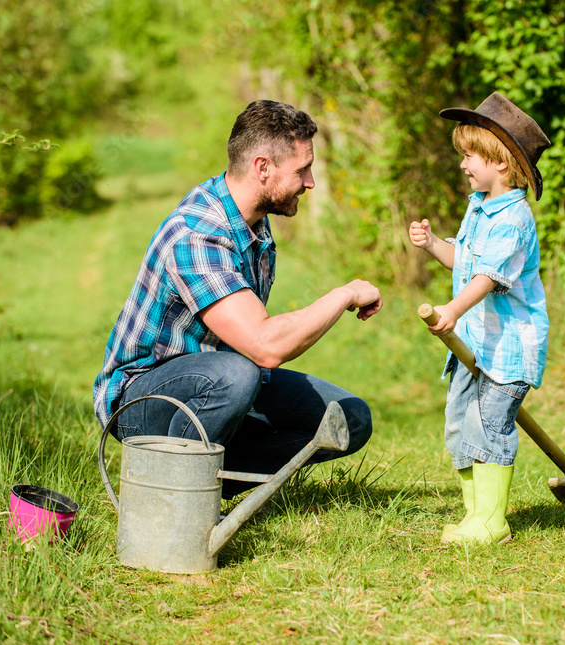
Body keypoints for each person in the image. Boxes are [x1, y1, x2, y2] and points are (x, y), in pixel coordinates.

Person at [94, 99, 382, 499]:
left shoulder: (253, 223)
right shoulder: (196, 233)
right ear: (262, 168)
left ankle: (207, 481)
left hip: (217, 386)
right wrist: (345, 293)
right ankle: (169, 498)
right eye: (302, 169)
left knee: (349, 419)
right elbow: (266, 346)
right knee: (237, 374)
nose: (311, 181)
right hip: (143, 401)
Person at [409, 92, 551, 544]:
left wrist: (451, 309)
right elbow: (467, 262)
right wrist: (434, 244)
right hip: (476, 342)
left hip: (507, 348)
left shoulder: (514, 219)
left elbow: (489, 276)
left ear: (502, 164)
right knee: (460, 421)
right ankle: (475, 515)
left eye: (471, 155)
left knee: (491, 425)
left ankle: (494, 521)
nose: (464, 164)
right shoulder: (479, 206)